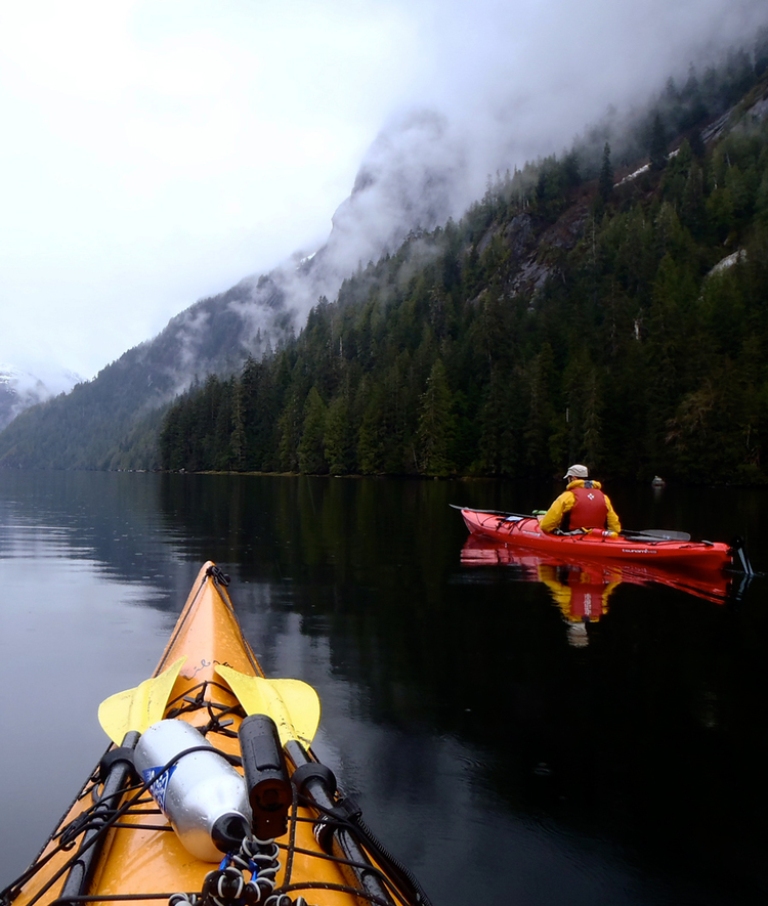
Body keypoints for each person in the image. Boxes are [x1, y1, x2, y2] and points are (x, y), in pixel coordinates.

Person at [539, 464, 622, 535]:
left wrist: (542, 521)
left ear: (573, 478)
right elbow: (615, 528)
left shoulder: (567, 496)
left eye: (568, 478)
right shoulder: (604, 497)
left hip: (570, 537)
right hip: (597, 537)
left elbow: (546, 526)